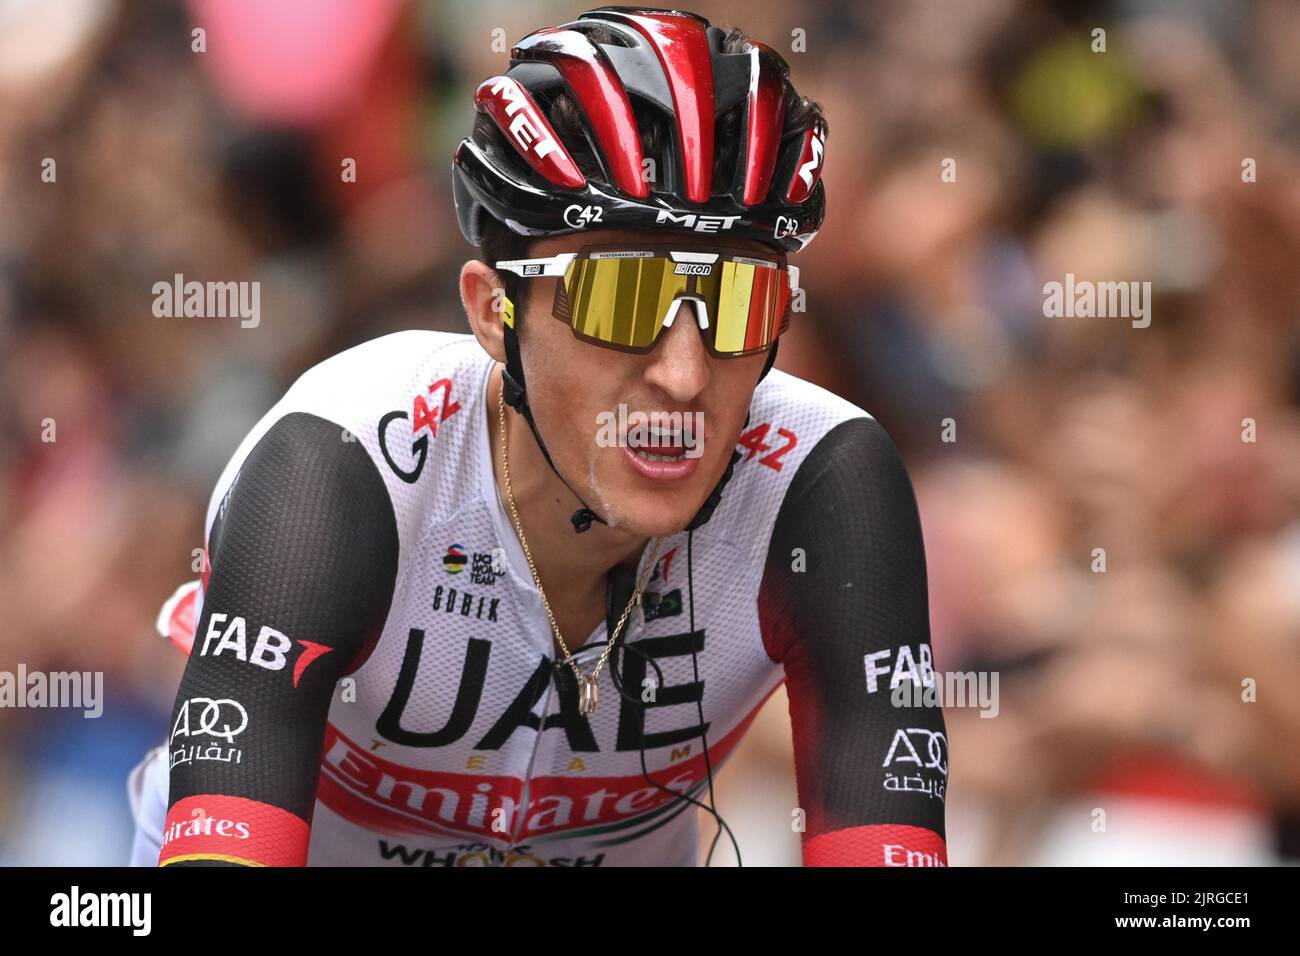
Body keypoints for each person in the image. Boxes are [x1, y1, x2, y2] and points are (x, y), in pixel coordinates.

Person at [126, 5, 947, 867]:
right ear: (492, 314)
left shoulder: (823, 484)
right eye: (620, 300)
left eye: (740, 304)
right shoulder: (340, 465)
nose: (684, 375)